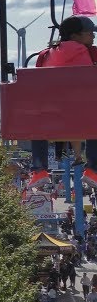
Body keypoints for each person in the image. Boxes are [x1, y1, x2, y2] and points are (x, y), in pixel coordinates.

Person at [26, 15, 97, 189]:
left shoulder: (44, 55)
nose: (93, 37)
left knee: (37, 124)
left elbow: (39, 84)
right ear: (75, 36)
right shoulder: (92, 52)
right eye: (90, 33)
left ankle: (40, 170)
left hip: (52, 120)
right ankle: (93, 169)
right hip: (85, 119)